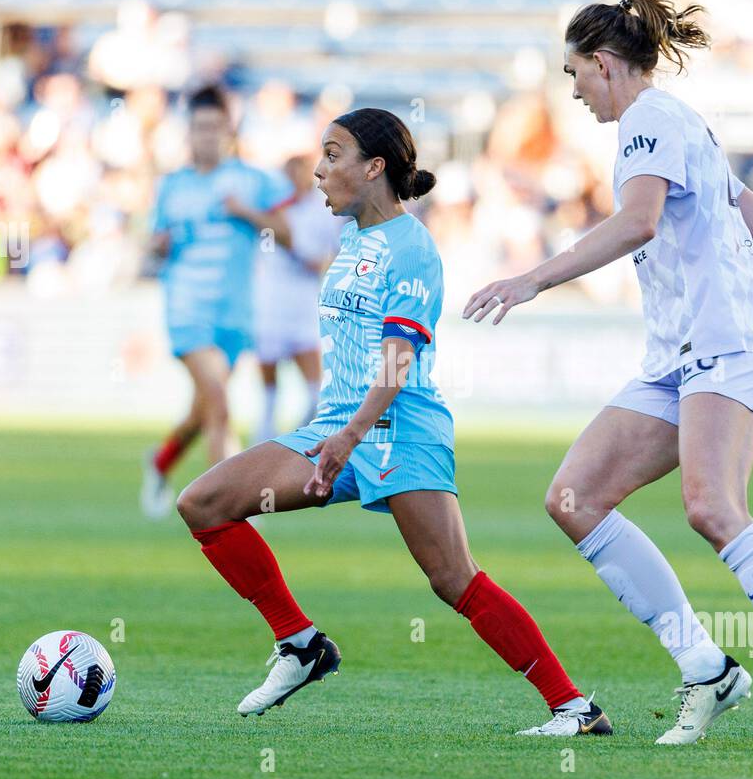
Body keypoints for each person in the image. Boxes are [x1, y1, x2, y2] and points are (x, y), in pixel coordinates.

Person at [464, 0, 753, 753]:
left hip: (726, 342)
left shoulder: (649, 121)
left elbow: (639, 220)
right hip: (681, 354)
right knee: (575, 496)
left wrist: (533, 279)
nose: (575, 89)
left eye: (576, 72)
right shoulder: (686, 126)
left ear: (607, 65)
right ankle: (705, 667)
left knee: (712, 508)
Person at [175, 107, 610, 736]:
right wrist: (339, 432)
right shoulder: (352, 239)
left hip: (398, 433)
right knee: (204, 503)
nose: (320, 171)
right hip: (335, 430)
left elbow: (398, 358)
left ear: (374, 167)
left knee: (453, 580)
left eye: (333, 155)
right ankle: (300, 645)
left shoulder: (412, 249)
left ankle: (573, 707)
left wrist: (350, 435)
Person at [140, 87, 294, 518]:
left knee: (203, 409)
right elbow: (151, 250)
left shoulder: (254, 181)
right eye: (199, 127)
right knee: (220, 402)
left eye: (214, 127)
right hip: (187, 306)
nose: (206, 135)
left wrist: (247, 213)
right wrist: (157, 246)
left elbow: (285, 234)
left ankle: (161, 461)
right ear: (188, 132)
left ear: (229, 131)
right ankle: (222, 512)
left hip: (234, 312)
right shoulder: (172, 186)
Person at [244, 154, 345, 442]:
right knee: (268, 391)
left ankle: (299, 440)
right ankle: (262, 450)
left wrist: (321, 265)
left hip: (304, 306)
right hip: (270, 304)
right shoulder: (274, 210)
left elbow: (325, 254)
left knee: (316, 390)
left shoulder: (323, 211)